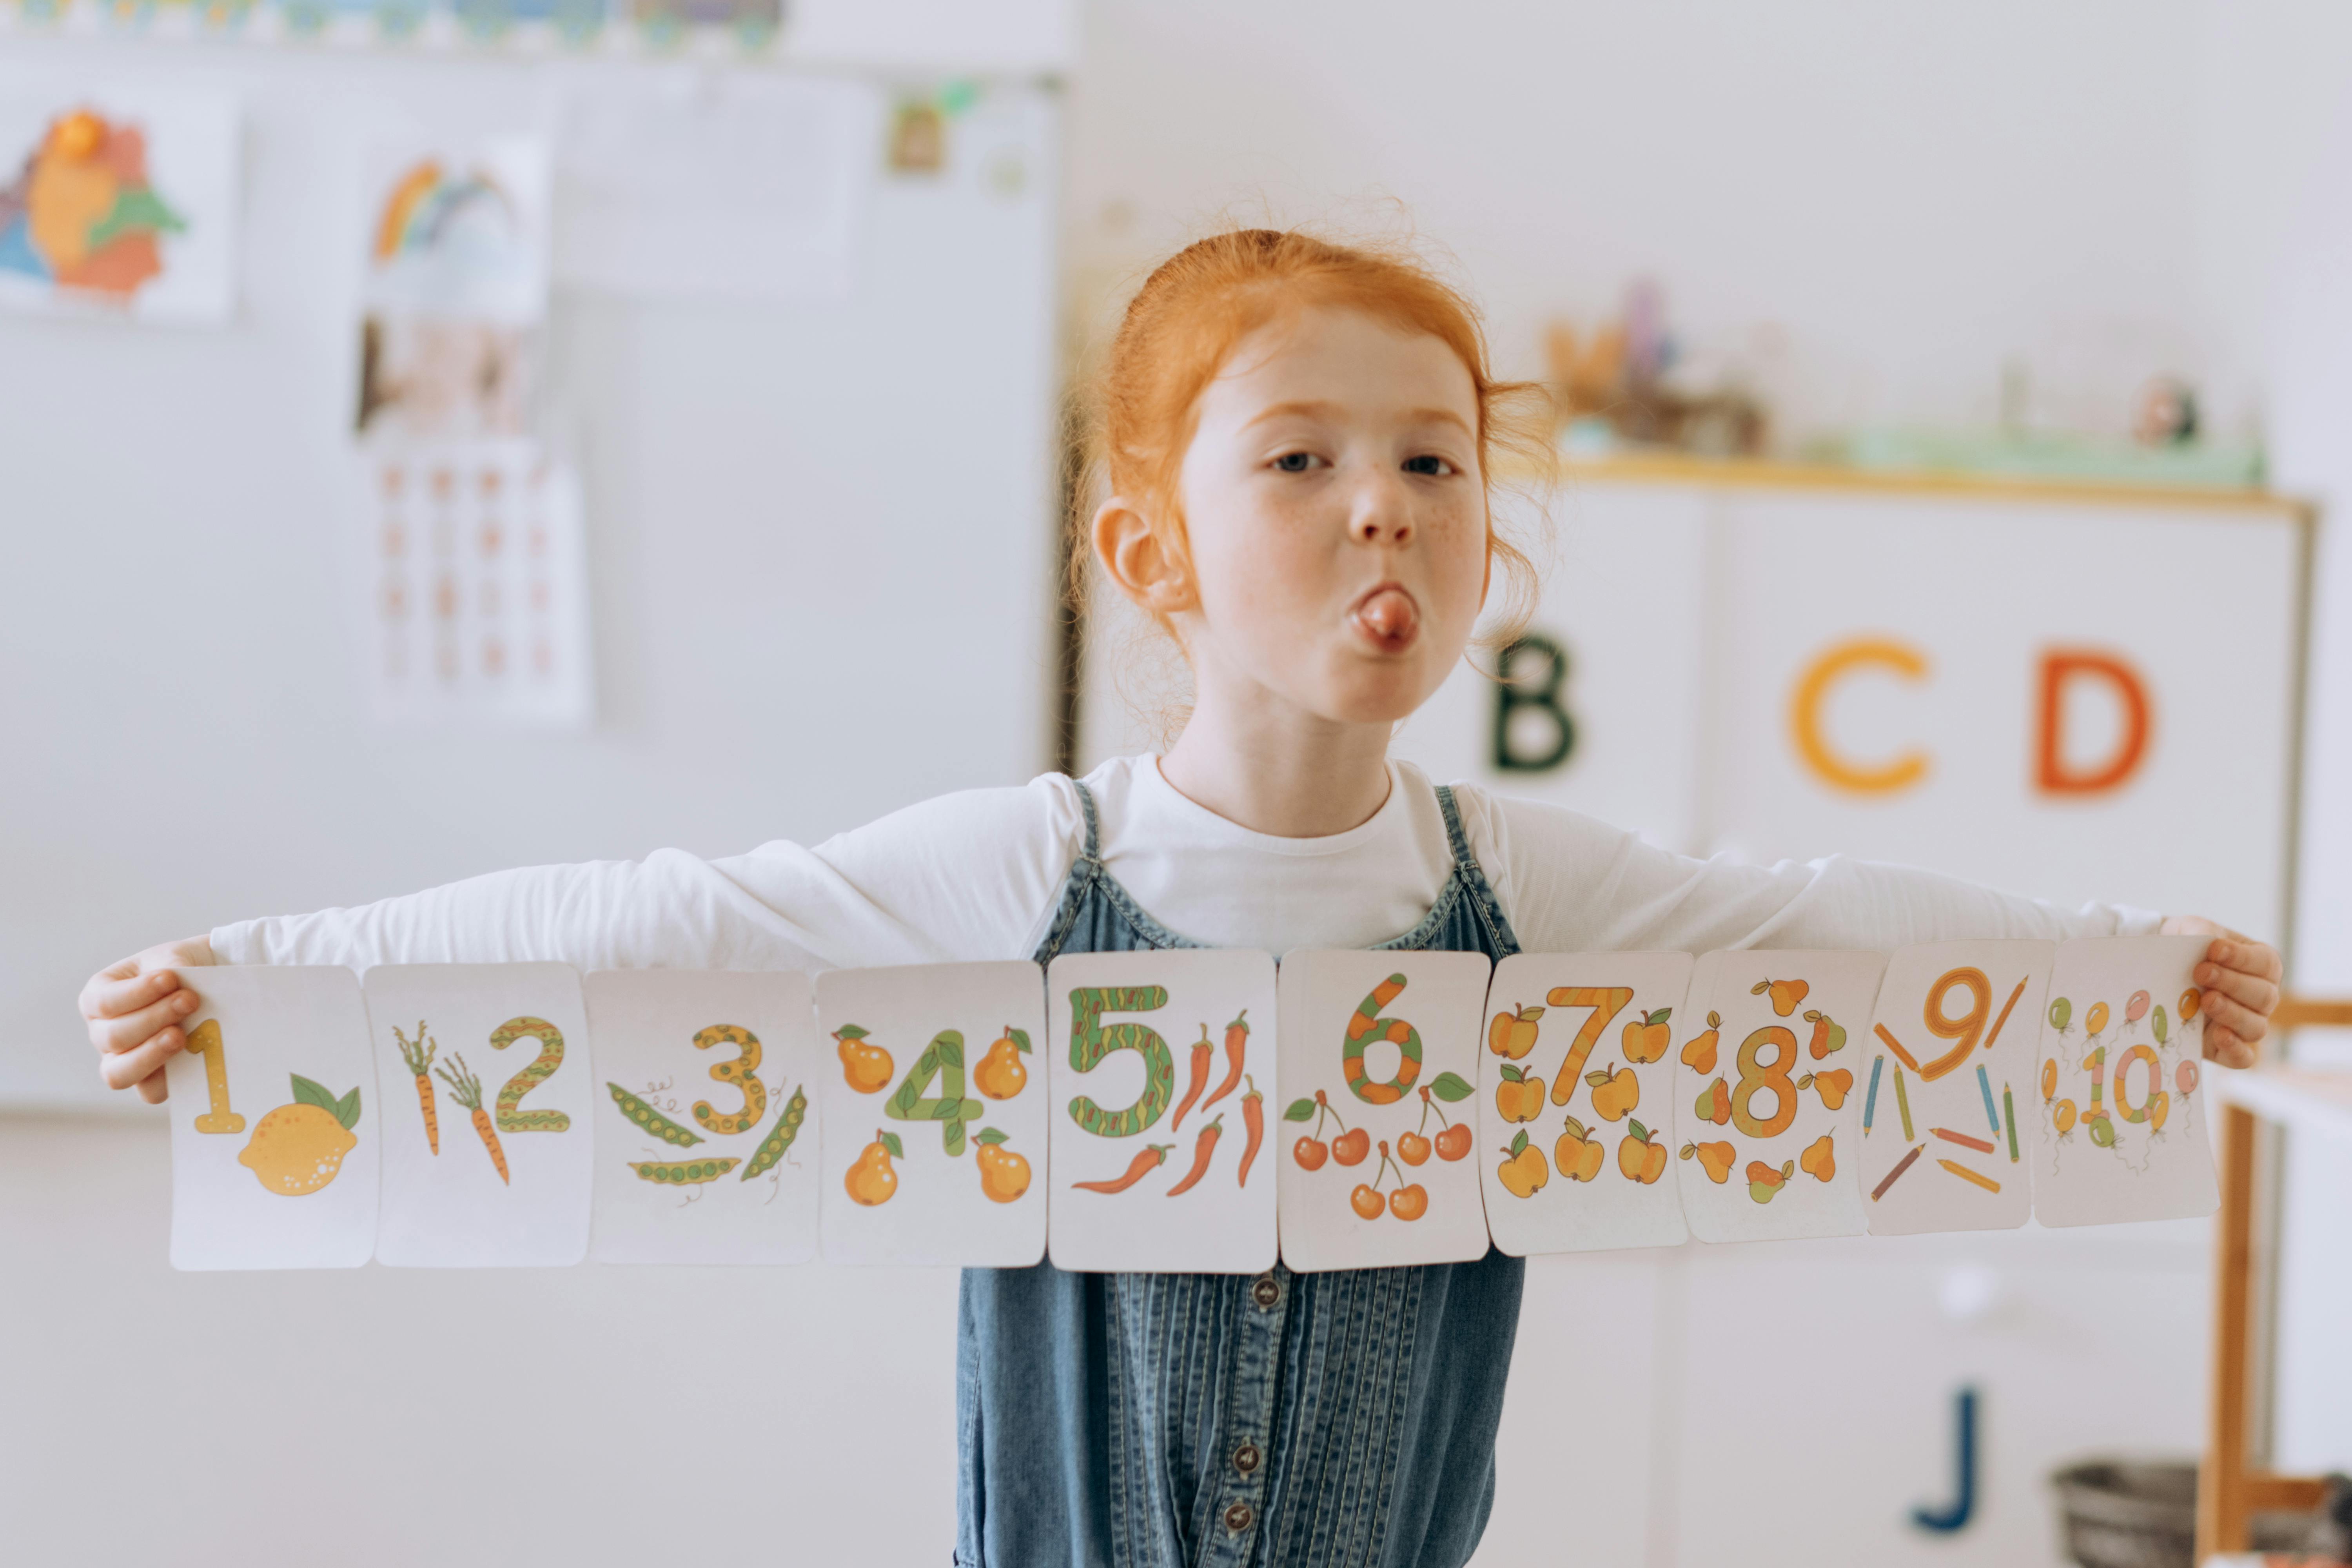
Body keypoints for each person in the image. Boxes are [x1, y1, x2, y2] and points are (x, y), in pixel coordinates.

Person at [78, 229, 2283, 1568]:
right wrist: (264, 983)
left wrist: (2131, 976)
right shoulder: (1039, 873)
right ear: (1156, 559)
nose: (1384, 513)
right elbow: (668, 922)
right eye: (1302, 460)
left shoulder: (1511, 883)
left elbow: (1808, 921)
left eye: (1434, 460)